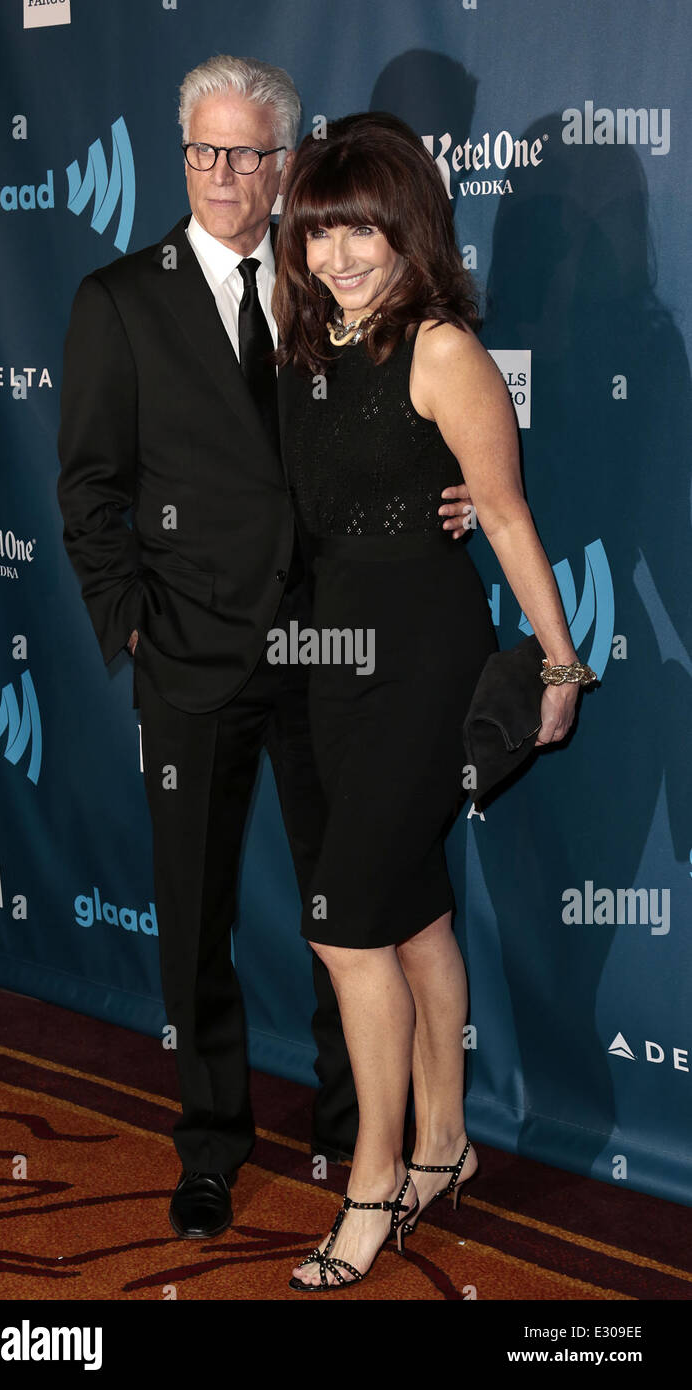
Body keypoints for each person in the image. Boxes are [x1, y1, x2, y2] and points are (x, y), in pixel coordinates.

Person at [56, 58, 476, 1242]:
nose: (224, 174)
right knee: (191, 919)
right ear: (179, 155)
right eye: (203, 151)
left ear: (286, 165)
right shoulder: (118, 298)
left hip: (333, 655)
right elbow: (89, 488)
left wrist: (452, 496)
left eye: (247, 154)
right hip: (189, 661)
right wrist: (132, 620)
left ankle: (355, 1129)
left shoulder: (329, 289)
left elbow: (403, 427)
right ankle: (209, 1142)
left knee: (345, 910)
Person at [272, 111, 595, 1291]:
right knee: (411, 919)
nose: (340, 255)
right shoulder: (304, 345)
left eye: (362, 229)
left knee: (345, 927)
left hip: (420, 655)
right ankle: (446, 1144)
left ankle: (372, 1184)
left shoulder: (441, 348)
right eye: (319, 233)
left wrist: (558, 666)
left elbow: (503, 514)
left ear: (410, 225)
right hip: (331, 654)